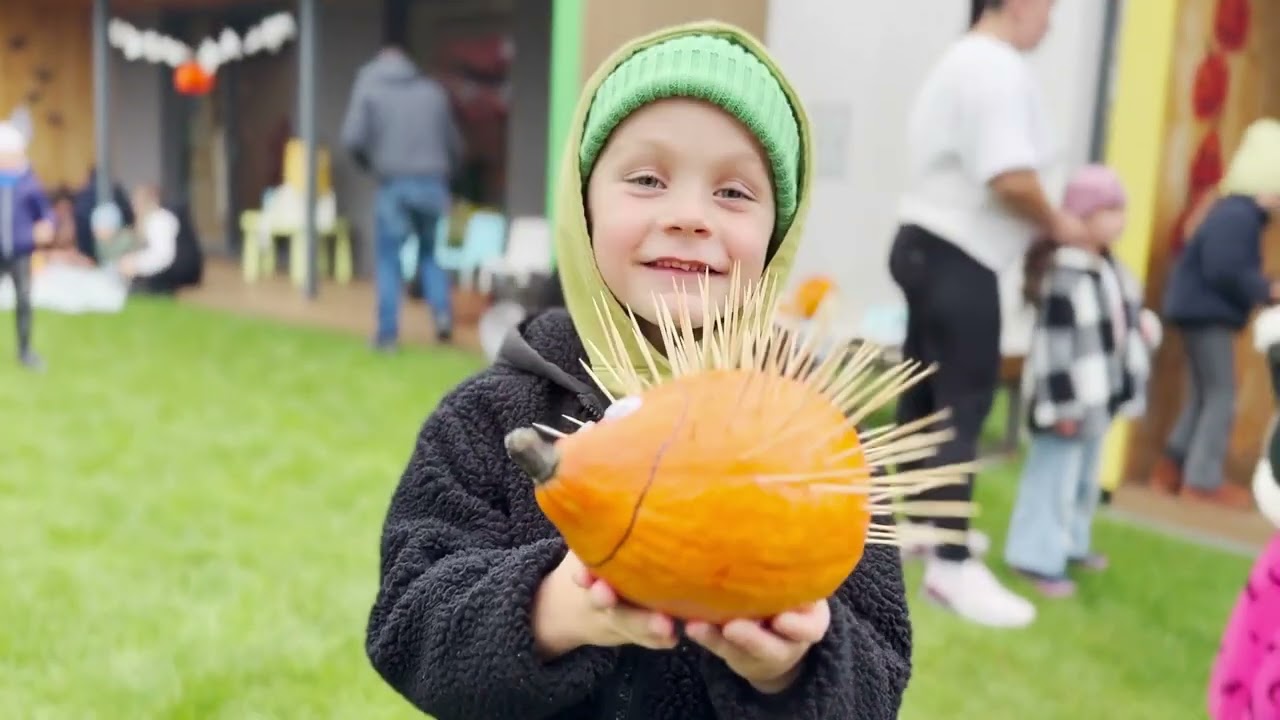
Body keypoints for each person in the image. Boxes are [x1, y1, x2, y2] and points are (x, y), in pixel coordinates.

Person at [365, 21, 911, 719]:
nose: (688, 215)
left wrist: (793, 669)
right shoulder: (491, 417)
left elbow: (880, 679)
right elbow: (408, 624)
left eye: (735, 192)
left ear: (779, 229)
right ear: (583, 204)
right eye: (647, 178)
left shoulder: (818, 441)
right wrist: (553, 608)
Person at [888, 0, 1077, 628]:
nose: (1053, 21)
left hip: (921, 243)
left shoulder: (962, 60)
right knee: (961, 406)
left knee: (920, 394)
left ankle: (916, 524)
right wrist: (1059, 225)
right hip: (958, 254)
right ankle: (951, 566)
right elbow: (1009, 175)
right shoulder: (995, 66)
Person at [1003, 165, 1161, 597]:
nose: (1121, 219)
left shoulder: (1108, 268)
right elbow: (1056, 349)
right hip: (1067, 405)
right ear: (1083, 215)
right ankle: (1033, 557)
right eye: (1110, 209)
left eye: (1121, 208)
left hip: (1098, 399)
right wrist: (1063, 408)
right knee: (1052, 479)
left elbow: (1116, 324)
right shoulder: (1065, 273)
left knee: (1083, 479)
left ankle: (1070, 543)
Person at [1150, 118, 1280, 509]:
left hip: (1196, 313)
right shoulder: (1238, 216)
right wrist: (1267, 290)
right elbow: (1226, 269)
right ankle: (1201, 480)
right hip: (1207, 316)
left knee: (1204, 394)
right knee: (1222, 395)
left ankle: (1171, 468)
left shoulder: (1230, 212)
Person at [340, 18, 465, 350]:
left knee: (388, 259)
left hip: (393, 184)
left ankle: (386, 335)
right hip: (433, 185)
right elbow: (455, 146)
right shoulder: (433, 92)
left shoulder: (369, 87)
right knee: (430, 253)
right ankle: (442, 318)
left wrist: (373, 165)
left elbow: (352, 138)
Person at [0, 122, 54, 371]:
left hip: (21, 251)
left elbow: (45, 213)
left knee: (23, 299)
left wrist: (46, 224)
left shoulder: (28, 184)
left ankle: (25, 351)